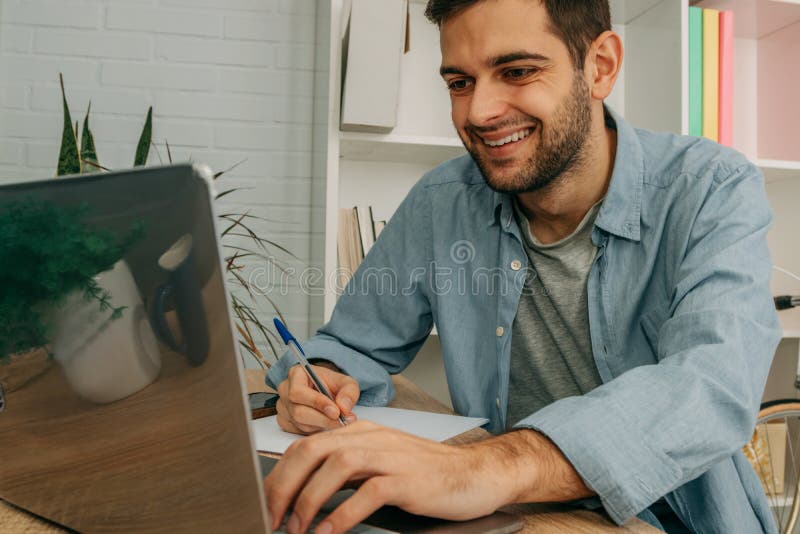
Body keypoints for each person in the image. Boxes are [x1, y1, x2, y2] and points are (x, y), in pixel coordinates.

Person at [263, 1, 781, 533]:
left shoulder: (712, 188)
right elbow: (352, 343)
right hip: (511, 516)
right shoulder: (441, 201)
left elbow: (711, 385)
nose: (479, 112)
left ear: (600, 66)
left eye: (516, 72)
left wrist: (487, 467)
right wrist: (323, 378)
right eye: (460, 83)